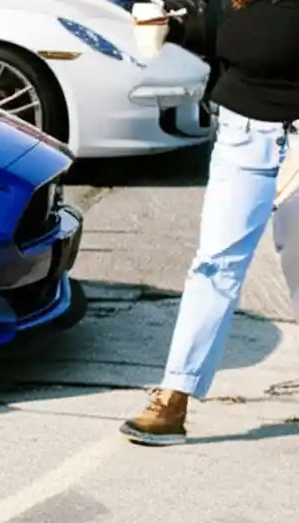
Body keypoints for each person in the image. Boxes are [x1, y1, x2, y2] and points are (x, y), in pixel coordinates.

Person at [121, 0, 299, 446]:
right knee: (214, 264)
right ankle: (174, 397)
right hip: (242, 136)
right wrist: (166, 29)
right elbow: (208, 38)